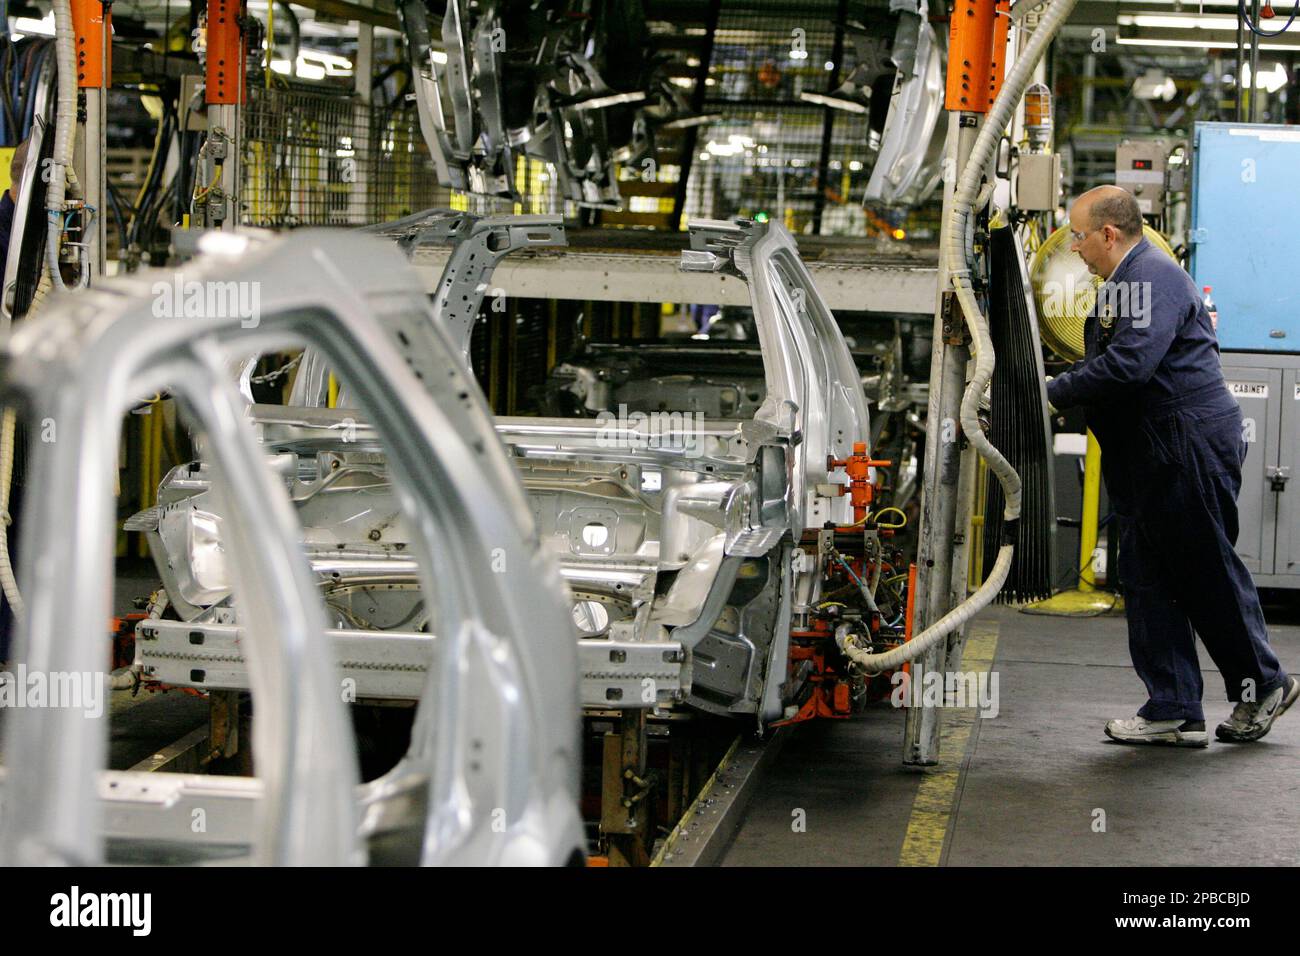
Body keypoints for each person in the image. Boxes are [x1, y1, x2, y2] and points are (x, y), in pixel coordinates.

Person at [1047, 185, 1297, 748]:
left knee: (1203, 570)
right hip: (1152, 451)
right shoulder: (1127, 282)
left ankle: (1264, 684)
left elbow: (1130, 364)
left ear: (1109, 234)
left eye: (1079, 237)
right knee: (1145, 575)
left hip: (1183, 445)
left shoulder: (1150, 277)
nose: (1077, 250)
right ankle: (1173, 707)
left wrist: (1053, 392)